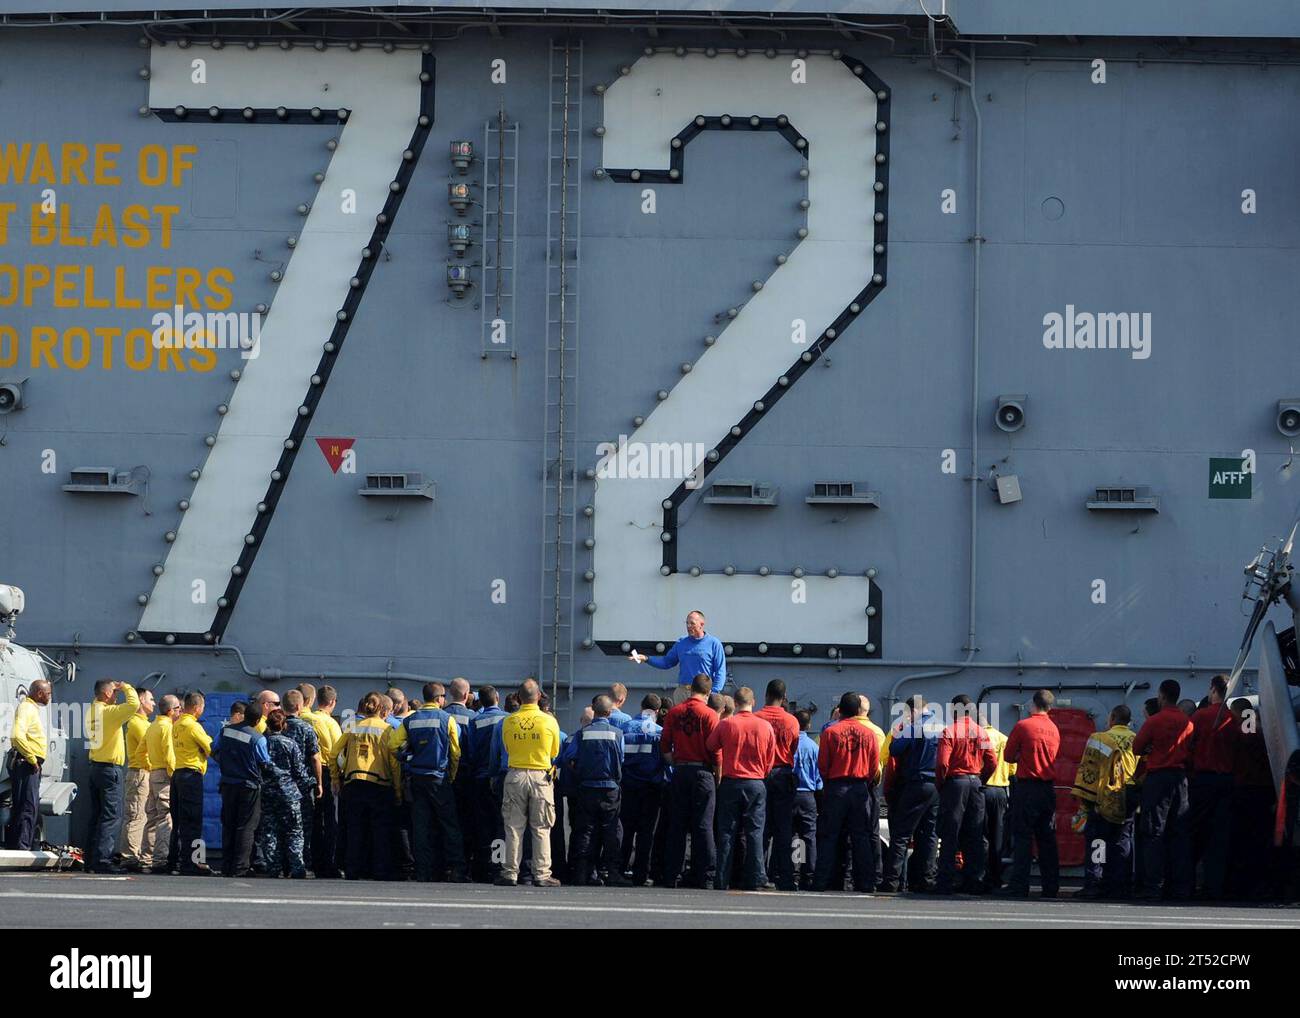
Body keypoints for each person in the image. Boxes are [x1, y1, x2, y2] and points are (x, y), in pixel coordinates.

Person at [391, 681, 468, 882]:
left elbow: (393, 746)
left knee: (421, 826)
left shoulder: (411, 720)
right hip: (439, 778)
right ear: (439, 698)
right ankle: (456, 869)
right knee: (449, 825)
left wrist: (408, 756)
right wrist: (450, 775)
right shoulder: (447, 719)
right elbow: (455, 753)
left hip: (417, 779)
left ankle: (423, 871)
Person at [706, 686, 776, 891]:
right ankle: (757, 877)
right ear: (753, 702)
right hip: (755, 782)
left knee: (727, 832)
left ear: (735, 703)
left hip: (730, 781)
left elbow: (710, 746)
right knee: (755, 832)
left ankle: (721, 879)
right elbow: (770, 760)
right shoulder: (765, 727)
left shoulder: (727, 724)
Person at [496, 678, 563, 887]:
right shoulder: (549, 721)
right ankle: (542, 874)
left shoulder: (509, 721)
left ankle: (510, 873)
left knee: (513, 826)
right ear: (540, 697)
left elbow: (507, 747)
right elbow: (555, 752)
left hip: (515, 775)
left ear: (518, 697)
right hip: (540, 777)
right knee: (541, 827)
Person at [1133, 678, 1194, 901]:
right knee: (1179, 834)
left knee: (1153, 832)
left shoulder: (1154, 721)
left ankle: (1153, 886)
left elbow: (1137, 748)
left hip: (1158, 778)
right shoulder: (1188, 722)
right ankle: (1179, 887)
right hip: (1180, 779)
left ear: (1161, 696)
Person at [812, 693, 880, 893]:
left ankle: (821, 881)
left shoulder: (830, 733)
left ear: (839, 710)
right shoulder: (868, 734)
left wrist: (830, 782)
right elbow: (874, 766)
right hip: (859, 787)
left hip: (836, 787)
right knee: (861, 837)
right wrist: (864, 781)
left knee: (829, 836)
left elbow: (823, 765)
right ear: (859, 711)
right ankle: (866, 883)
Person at [330, 691, 402, 880]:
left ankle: (353, 870)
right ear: (384, 710)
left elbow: (333, 754)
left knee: (355, 829)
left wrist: (336, 779)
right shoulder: (387, 730)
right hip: (379, 785)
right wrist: (397, 789)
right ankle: (380, 871)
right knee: (380, 831)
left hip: (353, 784)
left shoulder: (352, 728)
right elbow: (394, 762)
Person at [1071, 705, 1138, 899]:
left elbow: (1088, 771)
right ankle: (1120, 884)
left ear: (1113, 718)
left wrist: (1084, 802)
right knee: (1123, 841)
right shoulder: (1136, 740)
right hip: (1128, 797)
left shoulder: (1098, 739)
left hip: (1102, 798)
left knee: (1098, 841)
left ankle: (1095, 883)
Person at [660, 674, 721, 889]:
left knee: (677, 825)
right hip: (702, 773)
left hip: (680, 772)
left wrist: (674, 763)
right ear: (708, 693)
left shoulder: (674, 713)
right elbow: (715, 750)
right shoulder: (710, 715)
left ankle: (672, 875)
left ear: (690, 689)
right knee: (703, 826)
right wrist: (717, 773)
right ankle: (705, 876)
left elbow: (665, 745)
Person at [933, 695, 997, 895]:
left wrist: (942, 784)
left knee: (950, 833)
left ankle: (945, 881)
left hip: (955, 783)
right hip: (976, 783)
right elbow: (992, 761)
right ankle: (974, 880)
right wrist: (981, 779)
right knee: (975, 834)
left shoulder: (949, 731)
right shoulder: (982, 733)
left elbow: (943, 762)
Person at [565, 694, 629, 887]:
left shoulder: (582, 733)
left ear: (593, 710)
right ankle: (612, 873)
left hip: (587, 788)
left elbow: (570, 758)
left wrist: (581, 772)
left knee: (585, 831)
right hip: (610, 789)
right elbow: (622, 759)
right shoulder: (617, 733)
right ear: (609, 712)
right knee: (611, 831)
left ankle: (582, 873)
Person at [1002, 689, 1061, 898]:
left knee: (1023, 837)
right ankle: (1051, 886)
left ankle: (1019, 885)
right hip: (1047, 789)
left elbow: (1008, 756)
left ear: (1033, 704)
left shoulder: (1023, 725)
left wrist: (1022, 756)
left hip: (1027, 788)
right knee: (1047, 839)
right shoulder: (1054, 729)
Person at [880, 696, 940, 893]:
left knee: (901, 834)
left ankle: (891, 881)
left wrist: (903, 729)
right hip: (936, 786)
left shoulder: (914, 727)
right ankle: (926, 879)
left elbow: (895, 749)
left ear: (912, 711)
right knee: (929, 835)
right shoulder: (941, 726)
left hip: (917, 783)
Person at [1187, 675, 1240, 900]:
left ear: (1213, 690)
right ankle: (1214, 887)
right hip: (1227, 781)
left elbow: (1188, 745)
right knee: (1219, 838)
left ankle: (1187, 884)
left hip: (1203, 780)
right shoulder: (1234, 719)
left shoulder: (1200, 716)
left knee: (1195, 835)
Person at [84, 679, 140, 874]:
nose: (116, 697)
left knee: (97, 816)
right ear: (107, 694)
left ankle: (90, 859)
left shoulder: (92, 710)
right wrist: (126, 686)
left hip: (95, 768)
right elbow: (134, 704)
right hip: (109, 770)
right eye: (114, 693)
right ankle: (103, 859)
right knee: (111, 816)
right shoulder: (108, 713)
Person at [212, 699, 272, 878]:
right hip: (249, 787)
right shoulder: (258, 738)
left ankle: (227, 865)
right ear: (258, 720)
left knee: (228, 824)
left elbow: (213, 750)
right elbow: (265, 762)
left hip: (228, 784)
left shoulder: (225, 731)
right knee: (246, 827)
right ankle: (241, 867)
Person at [755, 680, 801, 891]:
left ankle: (758, 873)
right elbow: (793, 748)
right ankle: (785, 876)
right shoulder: (792, 721)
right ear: (784, 698)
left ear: (766, 695)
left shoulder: (756, 718)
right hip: (783, 773)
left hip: (761, 773)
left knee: (761, 827)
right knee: (784, 829)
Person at [1229, 699, 1275, 899]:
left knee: (1245, 838)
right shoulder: (1260, 729)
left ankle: (1245, 886)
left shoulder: (1247, 728)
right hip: (1264, 789)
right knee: (1260, 838)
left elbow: (1247, 740)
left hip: (1248, 788)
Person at [628, 610, 727, 702]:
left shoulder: (714, 644)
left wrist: (713, 693)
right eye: (687, 623)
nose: (688, 626)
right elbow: (667, 662)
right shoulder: (681, 643)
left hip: (704, 694)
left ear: (702, 624)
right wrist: (646, 659)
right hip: (683, 692)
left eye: (692, 623)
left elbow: (720, 671)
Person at [620, 693, 666, 886]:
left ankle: (620, 870)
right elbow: (665, 761)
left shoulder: (624, 728)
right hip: (651, 788)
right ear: (657, 711)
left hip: (629, 786)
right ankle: (641, 874)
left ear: (641, 706)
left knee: (626, 830)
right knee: (647, 833)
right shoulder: (660, 732)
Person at [262, 709, 311, 878]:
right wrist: (310, 784)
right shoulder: (290, 744)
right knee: (294, 832)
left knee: (270, 832)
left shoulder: (262, 743)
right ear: (284, 725)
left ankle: (273, 867)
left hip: (267, 792)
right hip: (289, 793)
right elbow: (299, 772)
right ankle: (297, 867)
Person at [170, 691, 213, 876]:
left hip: (177, 775)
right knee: (193, 822)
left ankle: (174, 861)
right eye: (202, 707)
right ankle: (193, 863)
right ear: (197, 708)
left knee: (178, 822)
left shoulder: (177, 724)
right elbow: (211, 748)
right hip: (191, 776)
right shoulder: (193, 726)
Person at [5, 678, 50, 851]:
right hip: (27, 764)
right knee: (27, 806)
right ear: (39, 693)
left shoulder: (31, 708)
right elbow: (17, 735)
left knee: (28, 806)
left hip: (28, 764)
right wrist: (32, 759)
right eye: (48, 694)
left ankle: (23, 845)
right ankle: (21, 848)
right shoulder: (27, 707)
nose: (49, 697)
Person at [280, 690, 322, 872]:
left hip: (278, 785)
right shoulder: (306, 729)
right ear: (299, 706)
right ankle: (300, 864)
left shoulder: (275, 726)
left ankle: (281, 864)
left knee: (278, 825)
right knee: (301, 827)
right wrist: (319, 782)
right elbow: (315, 758)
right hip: (301, 786)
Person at [304, 684, 343, 878]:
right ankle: (327, 864)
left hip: (304, 774)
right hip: (325, 773)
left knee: (310, 820)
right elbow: (336, 753)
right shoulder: (329, 723)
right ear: (333, 702)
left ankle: (310, 860)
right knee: (328, 821)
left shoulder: (304, 718)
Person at [471, 684, 508, 882]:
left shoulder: (475, 721)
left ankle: (482, 867)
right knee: (499, 824)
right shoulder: (507, 719)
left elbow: (470, 749)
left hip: (479, 777)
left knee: (481, 824)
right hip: (499, 777)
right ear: (497, 698)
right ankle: (498, 865)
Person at [118, 688, 155, 872]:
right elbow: (151, 747)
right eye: (151, 699)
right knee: (136, 815)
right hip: (140, 773)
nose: (153, 703)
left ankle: (139, 855)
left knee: (144, 816)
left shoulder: (145, 724)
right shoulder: (137, 724)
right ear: (141, 700)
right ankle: (130, 857)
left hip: (146, 773)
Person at [443, 677, 478, 874]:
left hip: (443, 774)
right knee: (466, 820)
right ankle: (464, 864)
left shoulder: (441, 715)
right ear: (466, 695)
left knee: (446, 821)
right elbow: (473, 748)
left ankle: (446, 864)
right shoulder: (472, 718)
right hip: (466, 775)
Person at [143, 694, 179, 874]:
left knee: (152, 818)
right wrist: (174, 775)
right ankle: (160, 859)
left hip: (153, 773)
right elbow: (169, 754)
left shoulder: (152, 726)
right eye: (178, 708)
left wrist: (150, 767)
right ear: (171, 711)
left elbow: (142, 749)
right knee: (165, 818)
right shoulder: (167, 728)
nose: (180, 711)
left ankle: (146, 858)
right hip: (165, 775)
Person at [981, 715, 1015, 892]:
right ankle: (996, 877)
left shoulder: (978, 738)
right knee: (997, 837)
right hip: (1001, 791)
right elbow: (1012, 770)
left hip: (983, 789)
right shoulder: (1004, 738)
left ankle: (981, 876)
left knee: (980, 835)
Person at [791, 709, 821, 890]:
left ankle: (793, 872)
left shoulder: (789, 745)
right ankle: (809, 875)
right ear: (809, 725)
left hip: (791, 794)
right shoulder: (814, 747)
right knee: (809, 837)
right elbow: (819, 777)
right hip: (809, 795)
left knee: (792, 836)